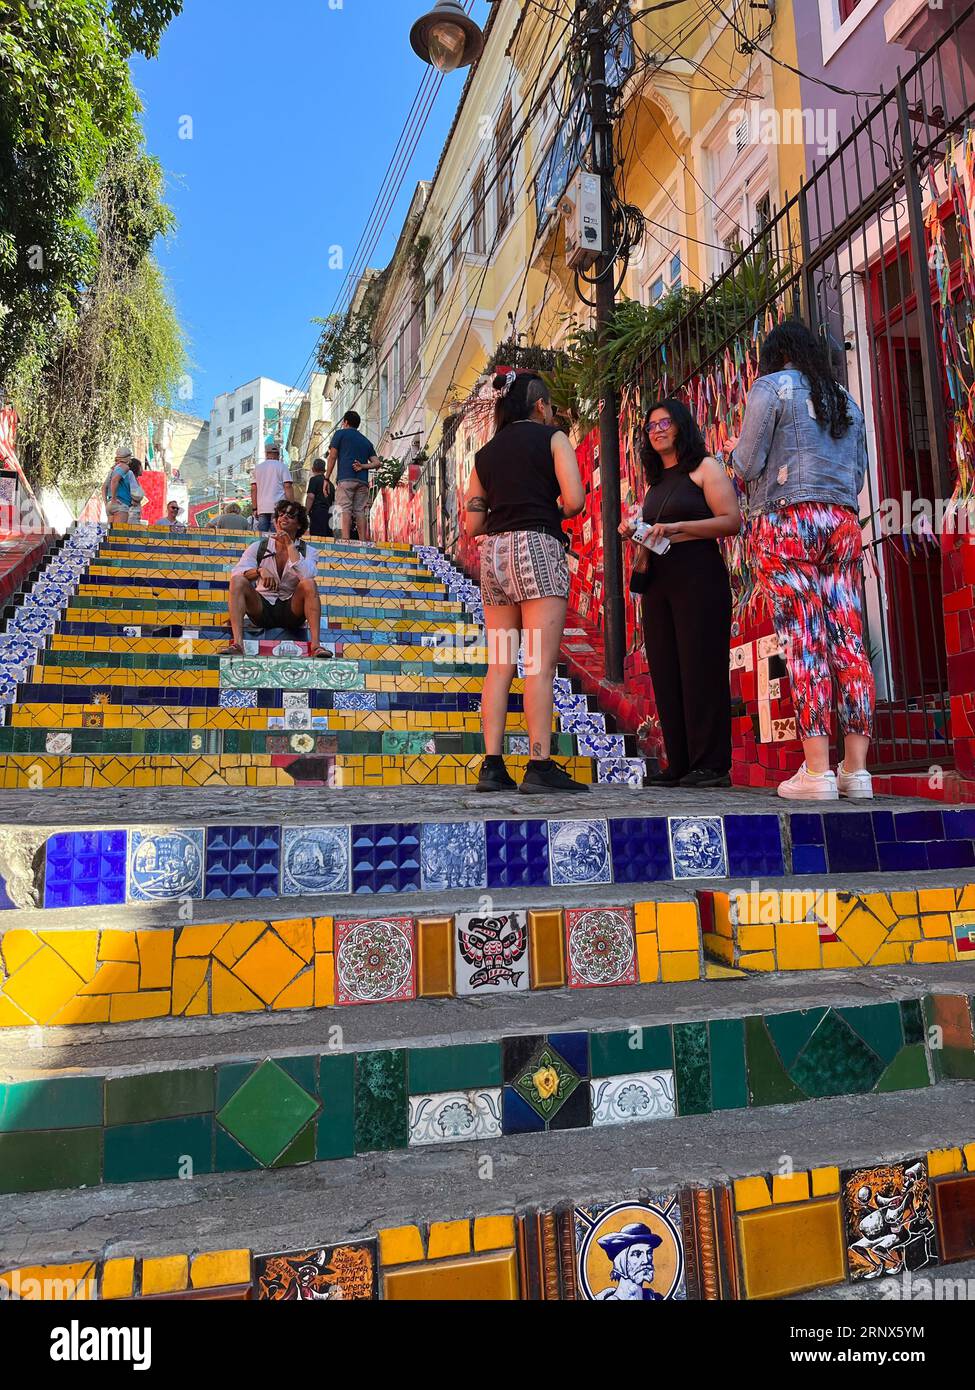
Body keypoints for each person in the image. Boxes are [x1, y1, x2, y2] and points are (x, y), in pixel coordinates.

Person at [727, 320, 875, 801]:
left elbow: (747, 465)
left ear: (776, 355)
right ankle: (856, 770)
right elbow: (857, 476)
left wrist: (736, 453)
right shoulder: (846, 401)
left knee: (805, 638)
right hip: (842, 523)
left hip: (787, 522)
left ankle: (817, 770)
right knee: (849, 637)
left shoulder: (772, 387)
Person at [464, 368, 588, 795]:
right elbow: (574, 501)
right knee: (538, 663)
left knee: (500, 663)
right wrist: (546, 502)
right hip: (536, 550)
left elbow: (474, 520)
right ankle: (539, 763)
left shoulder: (484, 455)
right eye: (550, 405)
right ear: (540, 405)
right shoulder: (552, 439)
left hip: (494, 557)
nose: (552, 412)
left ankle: (493, 766)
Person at [619, 399, 741, 788]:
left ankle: (712, 765)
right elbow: (657, 533)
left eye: (665, 422)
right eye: (650, 426)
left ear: (681, 426)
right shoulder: (655, 484)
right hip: (660, 582)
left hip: (699, 577)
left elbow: (731, 521)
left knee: (700, 667)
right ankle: (681, 763)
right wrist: (636, 532)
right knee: (668, 670)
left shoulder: (705, 468)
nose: (657, 430)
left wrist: (674, 528)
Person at [224, 499, 331, 658]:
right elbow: (237, 572)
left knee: (309, 584)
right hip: (262, 609)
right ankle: (238, 644)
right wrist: (260, 571)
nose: (284, 518)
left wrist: (289, 546)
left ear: (300, 524)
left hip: (292, 611)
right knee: (237, 581)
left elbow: (307, 575)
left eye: (290, 515)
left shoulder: (310, 551)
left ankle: (316, 646)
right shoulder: (258, 547)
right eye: (280, 515)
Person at [326, 411, 379, 541]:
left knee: (345, 509)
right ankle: (363, 541)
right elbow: (377, 463)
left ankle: (345, 540)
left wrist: (326, 478)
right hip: (362, 482)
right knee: (360, 511)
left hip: (345, 479)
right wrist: (362, 466)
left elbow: (332, 457)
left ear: (345, 422)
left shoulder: (340, 434)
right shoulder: (366, 441)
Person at [252, 444, 295, 533]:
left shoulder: (257, 468)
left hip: (262, 507)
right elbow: (288, 486)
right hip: (279, 507)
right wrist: (291, 505)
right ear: (278, 455)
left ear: (266, 454)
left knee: (263, 536)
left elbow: (253, 489)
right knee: (276, 535)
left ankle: (263, 547)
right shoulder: (282, 466)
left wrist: (255, 508)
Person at [305, 458, 336, 539]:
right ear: (324, 470)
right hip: (329, 515)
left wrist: (305, 512)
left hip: (317, 514)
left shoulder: (313, 480)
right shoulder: (330, 484)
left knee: (317, 539)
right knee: (328, 539)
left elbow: (310, 497)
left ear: (313, 469)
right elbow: (333, 502)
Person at [105, 448, 134, 526]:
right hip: (120, 504)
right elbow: (115, 480)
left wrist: (107, 503)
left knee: (110, 535)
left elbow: (104, 487)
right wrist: (114, 499)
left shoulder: (113, 469)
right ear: (127, 458)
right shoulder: (125, 467)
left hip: (110, 504)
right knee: (118, 534)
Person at [127, 459, 147, 525]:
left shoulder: (135, 480)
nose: (142, 469)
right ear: (137, 467)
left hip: (135, 513)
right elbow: (137, 495)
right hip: (131, 513)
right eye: (141, 467)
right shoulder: (130, 478)